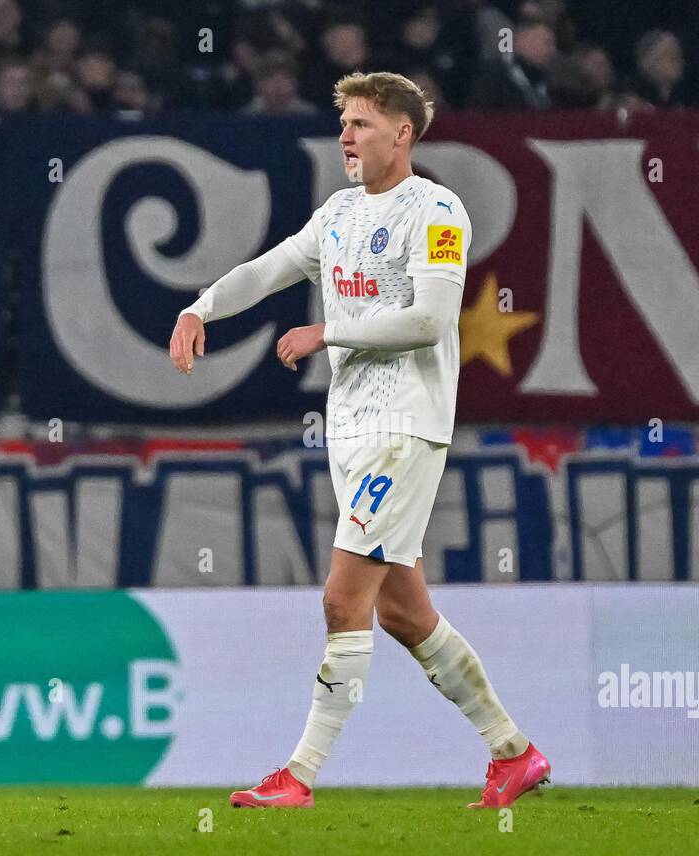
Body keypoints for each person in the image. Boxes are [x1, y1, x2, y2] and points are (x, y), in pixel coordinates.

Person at [168, 71, 548, 810]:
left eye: (363, 123)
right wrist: (200, 308)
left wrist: (327, 331)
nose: (347, 135)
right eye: (344, 122)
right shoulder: (338, 212)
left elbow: (430, 320)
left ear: (402, 134)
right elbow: (272, 267)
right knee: (404, 614)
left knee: (345, 601)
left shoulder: (437, 211)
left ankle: (300, 775)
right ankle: (513, 751)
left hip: (404, 429)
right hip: (351, 432)